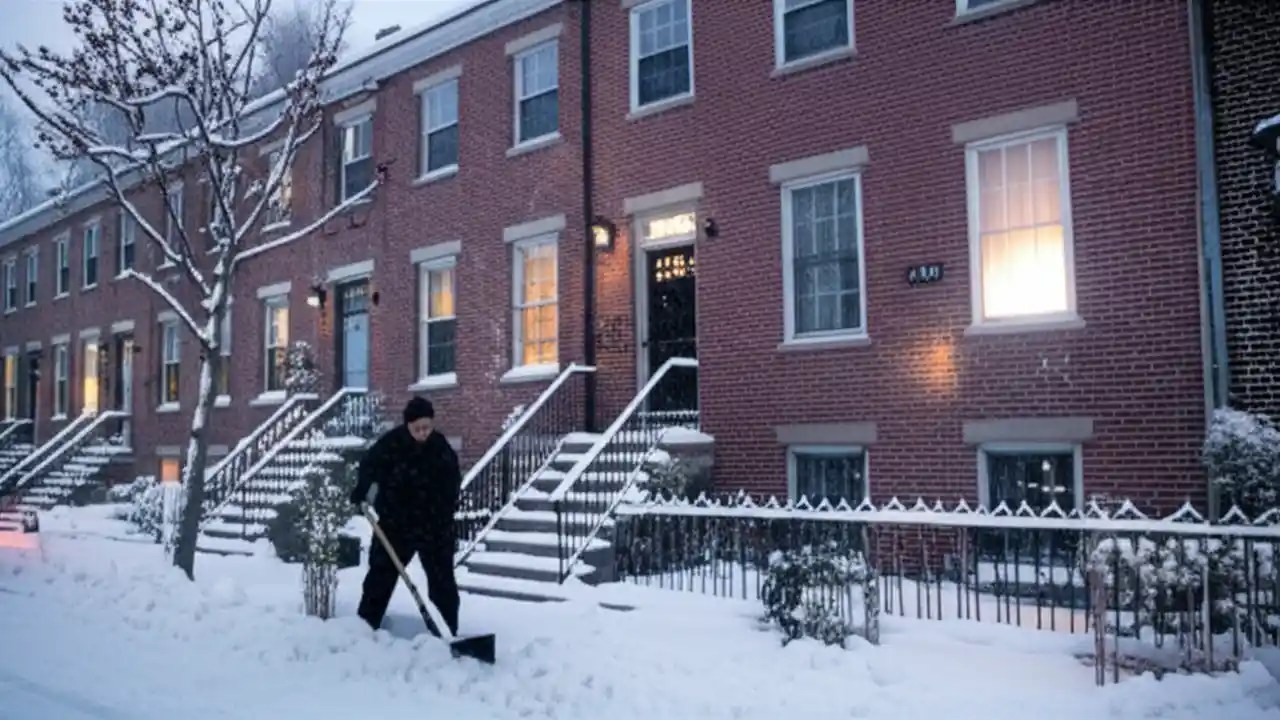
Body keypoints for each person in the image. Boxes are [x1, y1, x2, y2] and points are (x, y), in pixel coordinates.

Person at [350, 396, 461, 636]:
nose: (422, 433)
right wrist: (360, 491)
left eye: (427, 427)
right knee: (380, 577)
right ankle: (365, 628)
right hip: (395, 525)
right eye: (417, 428)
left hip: (434, 526)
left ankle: (448, 633)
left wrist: (442, 516)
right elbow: (368, 465)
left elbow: (452, 486)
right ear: (407, 425)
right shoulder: (391, 445)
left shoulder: (440, 448)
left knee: (443, 583)